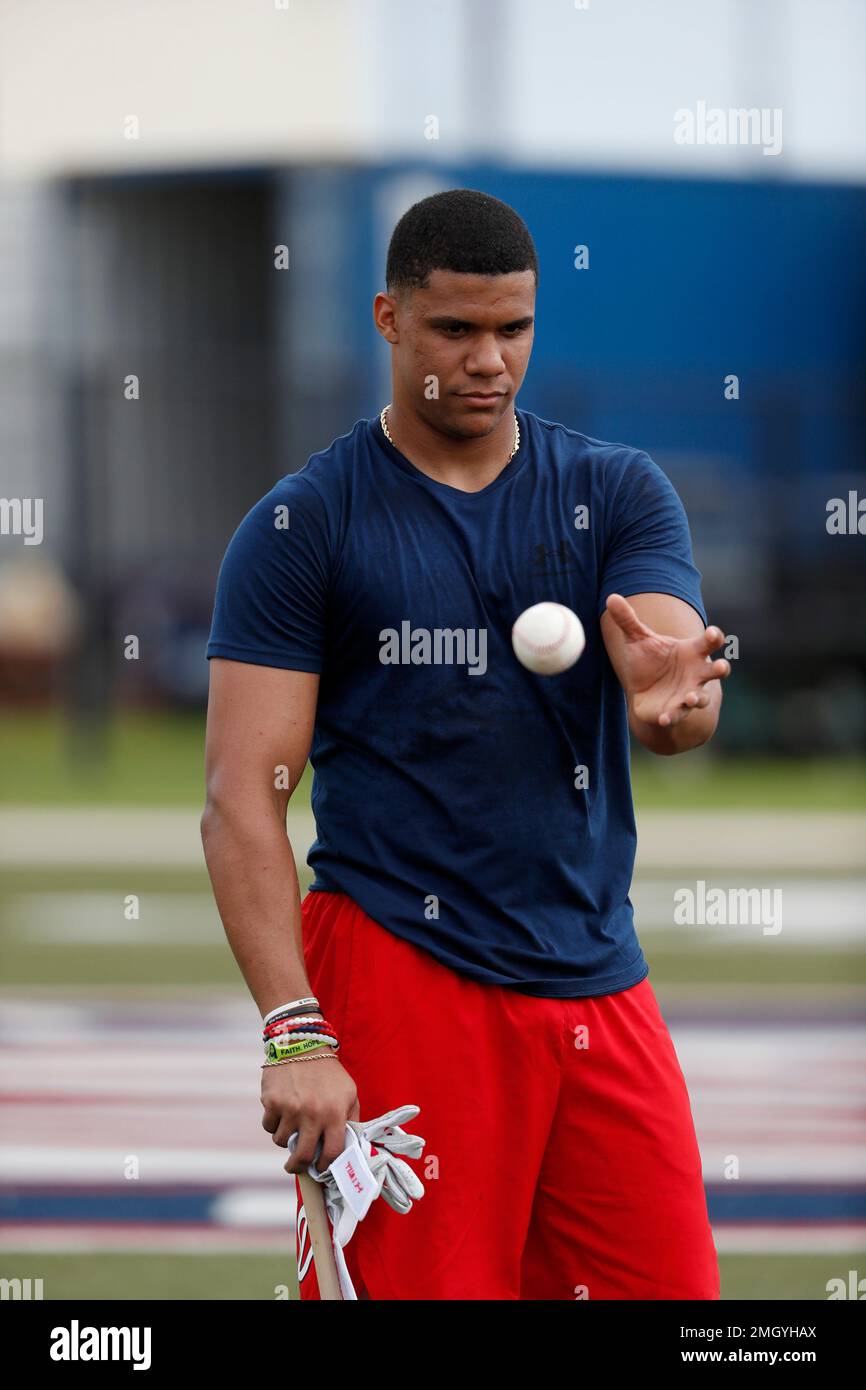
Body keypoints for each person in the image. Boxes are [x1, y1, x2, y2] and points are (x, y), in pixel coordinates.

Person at [201, 188, 730, 1300]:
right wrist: (297, 1035)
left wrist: (671, 701)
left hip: (595, 979)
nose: (488, 359)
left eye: (513, 328)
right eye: (455, 329)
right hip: (399, 969)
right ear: (389, 319)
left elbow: (669, 668)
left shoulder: (614, 491)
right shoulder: (307, 524)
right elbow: (244, 793)